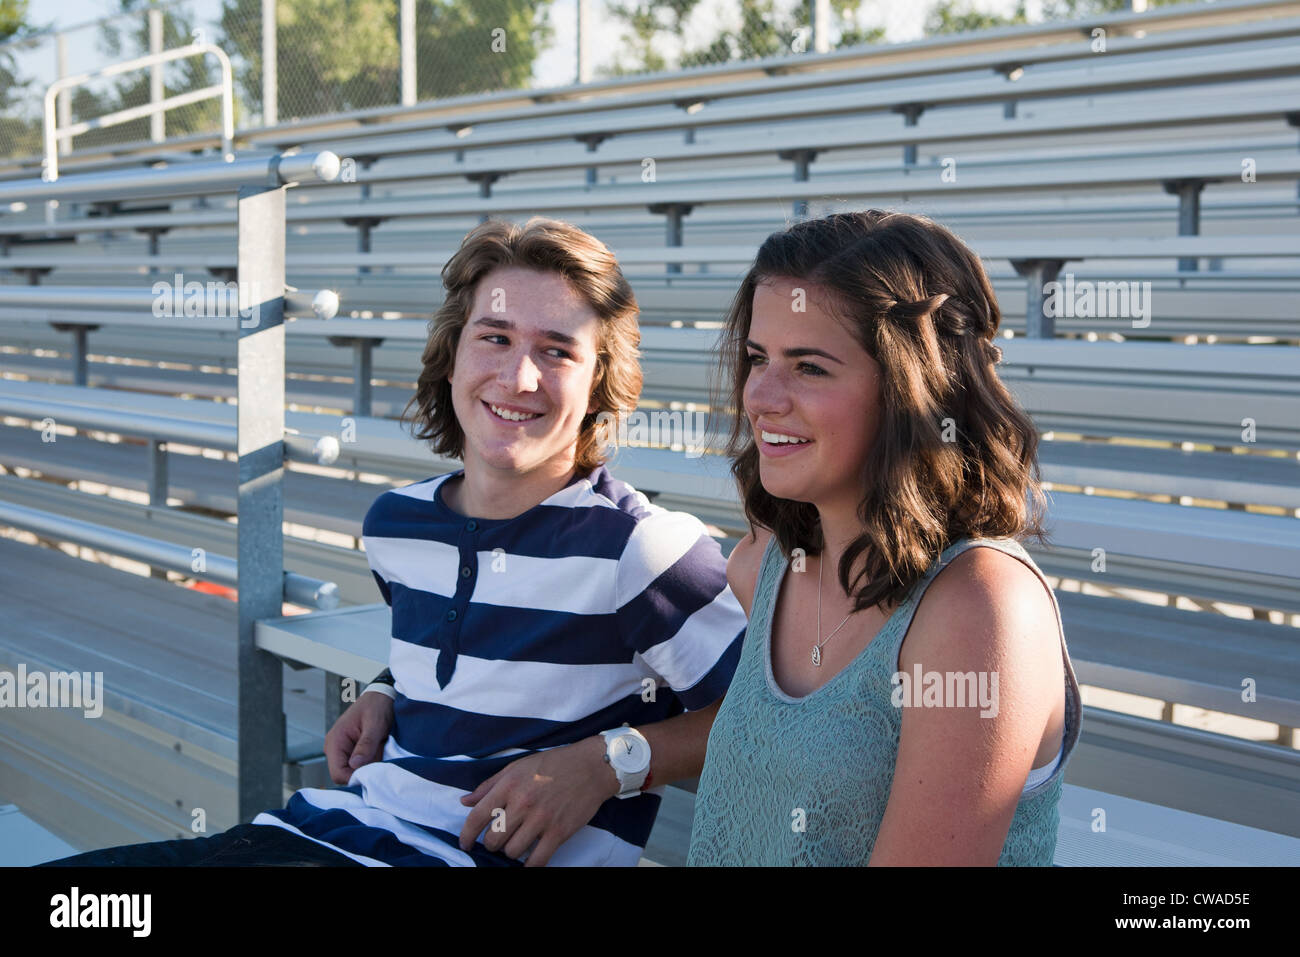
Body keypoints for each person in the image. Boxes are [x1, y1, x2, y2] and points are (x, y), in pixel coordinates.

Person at [43, 217, 745, 867]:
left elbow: (772, 717)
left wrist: (605, 763)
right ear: (451, 355)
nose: (518, 376)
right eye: (494, 336)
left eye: (557, 350)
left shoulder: (643, 548)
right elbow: (465, 642)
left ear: (599, 383)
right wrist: (387, 688)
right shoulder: (397, 524)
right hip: (316, 832)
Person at [687, 210, 1083, 866]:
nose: (761, 394)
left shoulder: (981, 608)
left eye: (809, 366)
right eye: (758, 358)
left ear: (912, 389)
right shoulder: (763, 565)